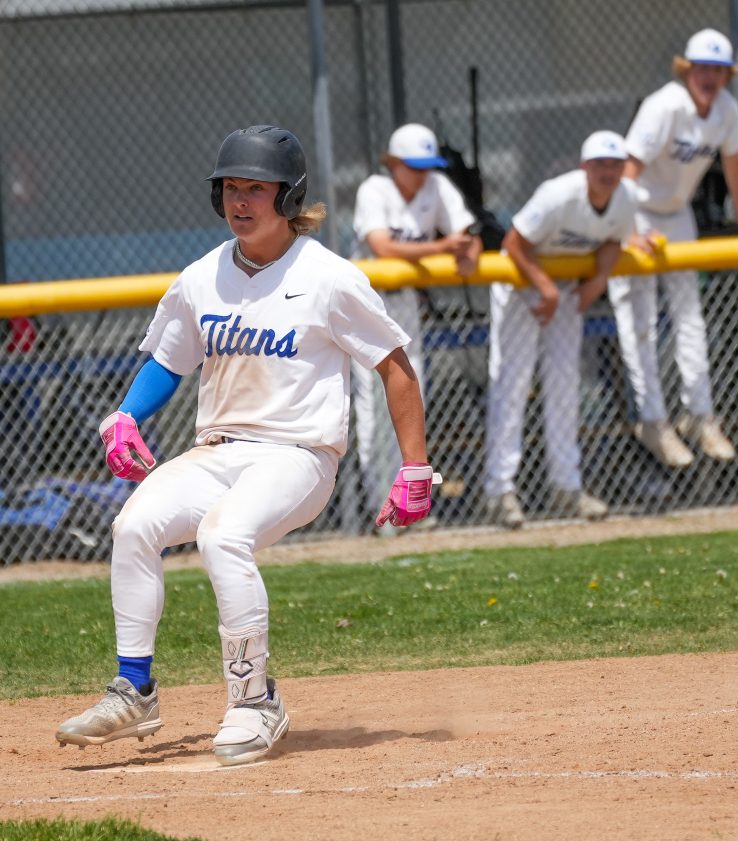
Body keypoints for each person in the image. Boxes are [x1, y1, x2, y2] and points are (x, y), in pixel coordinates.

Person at [55, 125, 439, 765]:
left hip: (299, 455)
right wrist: (125, 415)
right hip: (219, 449)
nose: (240, 200)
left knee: (222, 536)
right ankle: (134, 690)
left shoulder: (328, 277)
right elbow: (168, 362)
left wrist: (416, 466)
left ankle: (254, 700)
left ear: (289, 198)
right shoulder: (202, 277)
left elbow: (395, 367)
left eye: (256, 188)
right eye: (231, 187)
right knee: (133, 525)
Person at [609, 28, 738, 469]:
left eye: (718, 70)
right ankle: (653, 420)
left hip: (677, 213)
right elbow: (628, 171)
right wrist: (624, 231)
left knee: (690, 317)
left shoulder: (726, 108)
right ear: (687, 69)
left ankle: (701, 415)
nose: (710, 77)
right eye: (702, 68)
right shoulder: (665, 105)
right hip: (638, 213)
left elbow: (736, 167)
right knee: (639, 321)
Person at [484, 131, 637, 528]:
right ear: (585, 167)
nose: (608, 172)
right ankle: (498, 491)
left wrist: (597, 282)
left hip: (565, 287)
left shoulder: (624, 197)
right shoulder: (559, 193)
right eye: (600, 164)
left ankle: (566, 488)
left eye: (615, 165)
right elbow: (514, 243)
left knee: (566, 384)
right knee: (513, 385)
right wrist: (546, 287)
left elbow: (614, 240)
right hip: (522, 284)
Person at [351, 123, 481, 527]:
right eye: (414, 166)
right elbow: (383, 246)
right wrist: (444, 247)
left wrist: (471, 247)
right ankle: (381, 512)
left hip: (405, 301)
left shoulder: (437, 185)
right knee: (372, 411)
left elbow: (468, 230)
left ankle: (408, 506)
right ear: (394, 164)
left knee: (410, 403)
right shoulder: (375, 188)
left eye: (427, 166)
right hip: (363, 305)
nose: (422, 174)